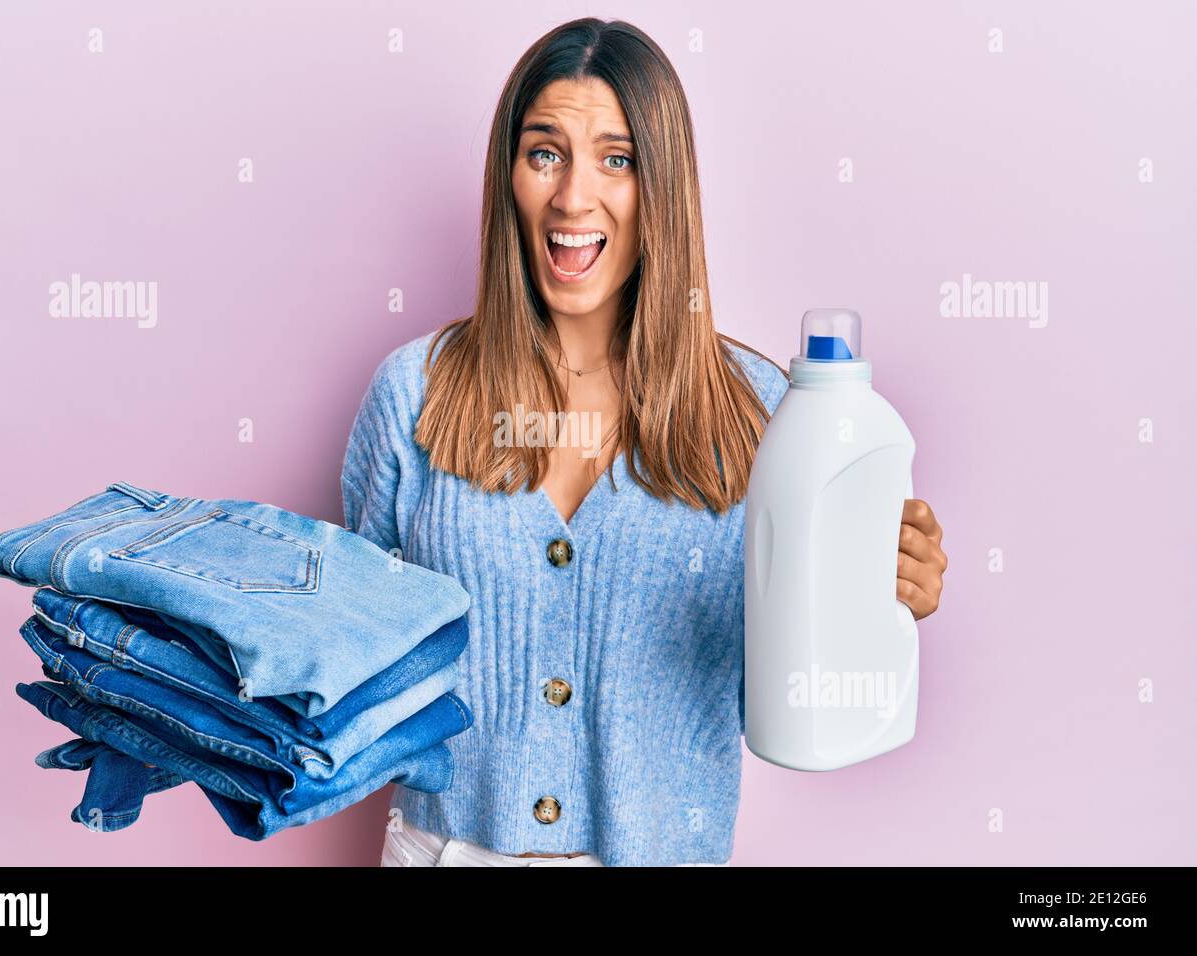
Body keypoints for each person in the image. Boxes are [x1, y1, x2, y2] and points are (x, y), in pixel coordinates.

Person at [343, 17, 948, 868]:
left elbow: (788, 684)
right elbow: (349, 664)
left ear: (663, 185)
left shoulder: (766, 417)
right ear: (508, 176)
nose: (572, 197)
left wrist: (876, 605)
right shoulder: (414, 394)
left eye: (616, 159)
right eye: (544, 152)